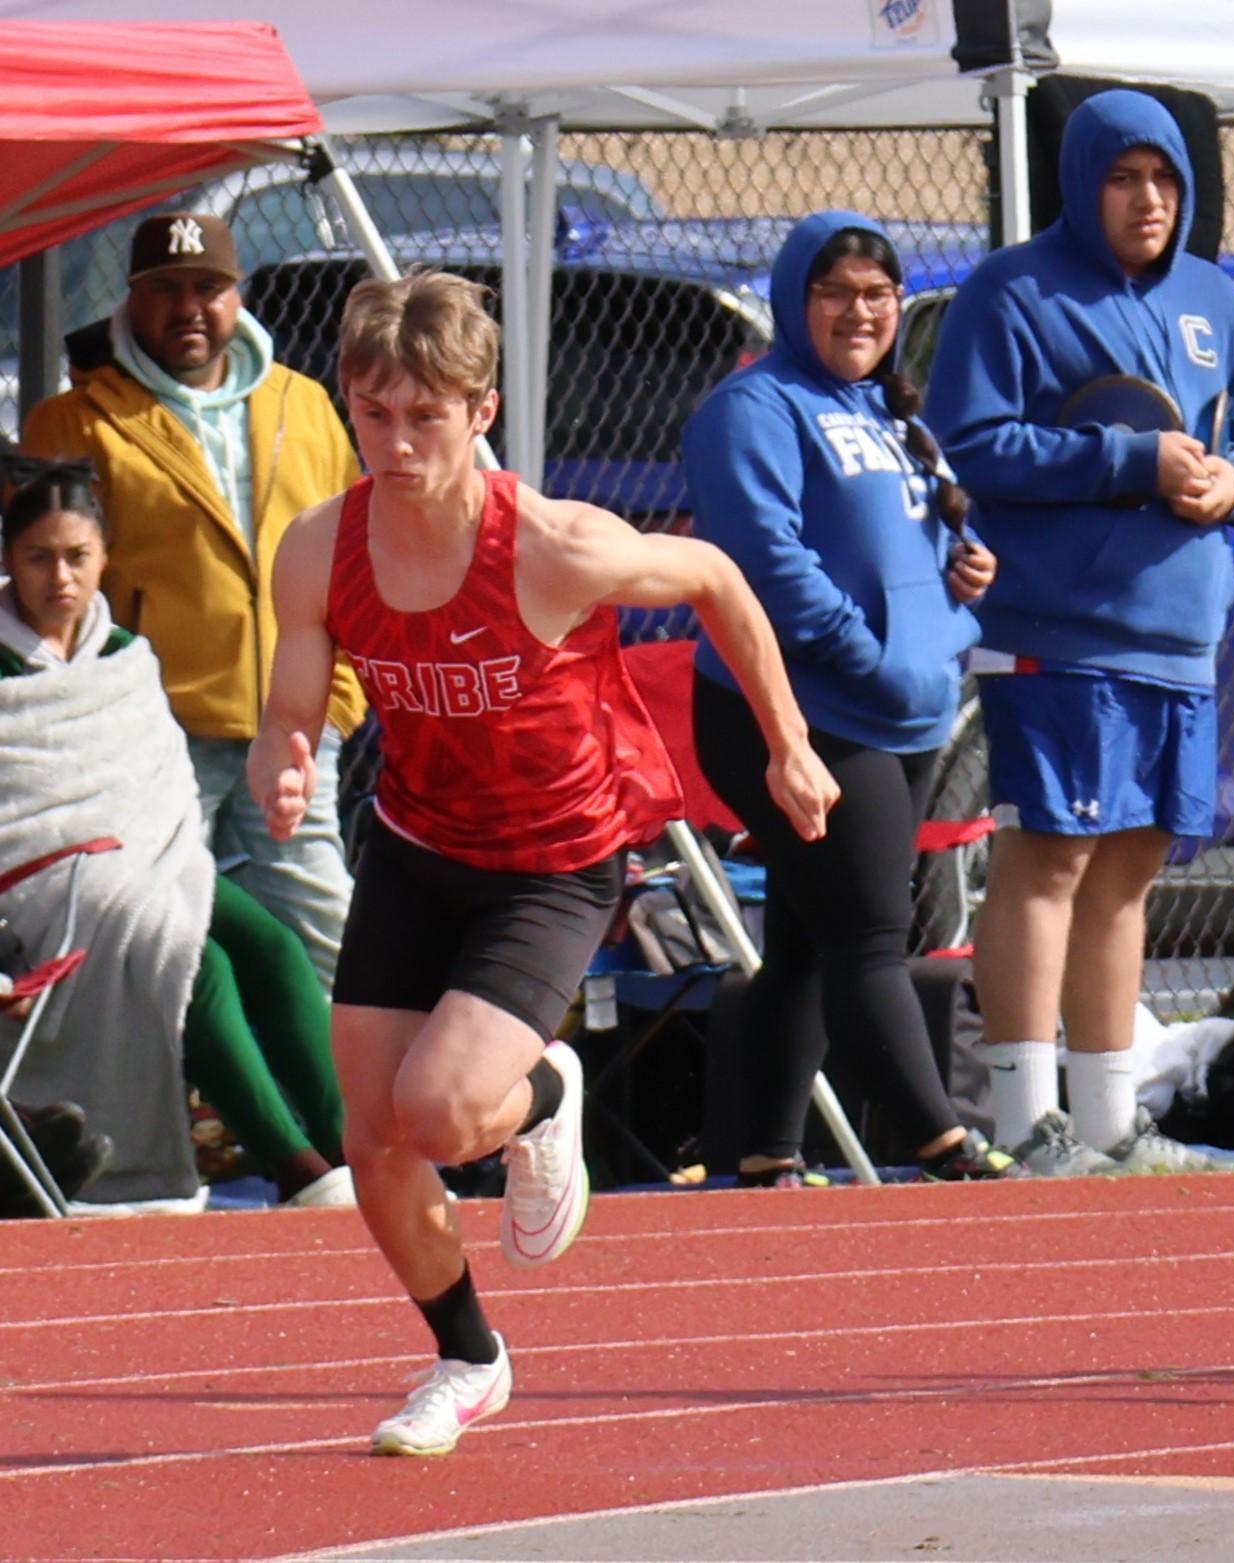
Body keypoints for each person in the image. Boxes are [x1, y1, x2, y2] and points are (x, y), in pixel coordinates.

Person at [247, 270, 837, 1456]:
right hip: (416, 845)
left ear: (480, 412)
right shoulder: (321, 545)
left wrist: (790, 744)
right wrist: (285, 753)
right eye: (373, 415)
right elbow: (294, 699)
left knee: (443, 1111)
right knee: (372, 1135)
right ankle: (467, 1358)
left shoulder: (555, 546)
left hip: (552, 863)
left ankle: (547, 1093)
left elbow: (718, 578)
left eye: (425, 416)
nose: (397, 444)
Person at [923, 90, 1234, 1175]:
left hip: (1178, 638)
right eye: (1125, 178)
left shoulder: (1213, 298)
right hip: (1059, 632)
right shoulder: (1012, 290)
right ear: (1081, 183)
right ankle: (1023, 1121)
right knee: (1049, 859)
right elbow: (971, 445)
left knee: (1129, 871)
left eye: (1166, 180)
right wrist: (1130, 461)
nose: (1148, 200)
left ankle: (1104, 1122)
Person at [684, 210, 1018, 1188]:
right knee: (872, 936)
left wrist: (962, 582)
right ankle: (945, 1143)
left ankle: (759, 1152)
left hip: (904, 709)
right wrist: (865, 652)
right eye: (835, 291)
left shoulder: (886, 409)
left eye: (877, 293)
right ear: (797, 299)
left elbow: (924, 546)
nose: (858, 311)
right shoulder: (752, 410)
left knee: (804, 937)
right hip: (801, 719)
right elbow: (766, 564)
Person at [22, 212, 365, 988]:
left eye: (208, 288)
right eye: (166, 289)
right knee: (155, 945)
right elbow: (45, 593)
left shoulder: (303, 405)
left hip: (293, 728)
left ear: (237, 295)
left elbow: (354, 559)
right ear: (131, 298)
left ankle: (350, 1106)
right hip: (150, 733)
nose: (190, 308)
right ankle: (169, 1108)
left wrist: (337, 702)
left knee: (322, 938)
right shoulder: (74, 423)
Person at [0, 453, 351, 1208]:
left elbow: (157, 782)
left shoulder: (127, 658)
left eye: (77, 557)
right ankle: (297, 1169)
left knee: (273, 946)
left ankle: (360, 1153)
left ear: (104, 559)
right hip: (44, 884)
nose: (60, 577)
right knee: (194, 958)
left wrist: (150, 848)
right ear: (7, 560)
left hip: (154, 855)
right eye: (38, 557)